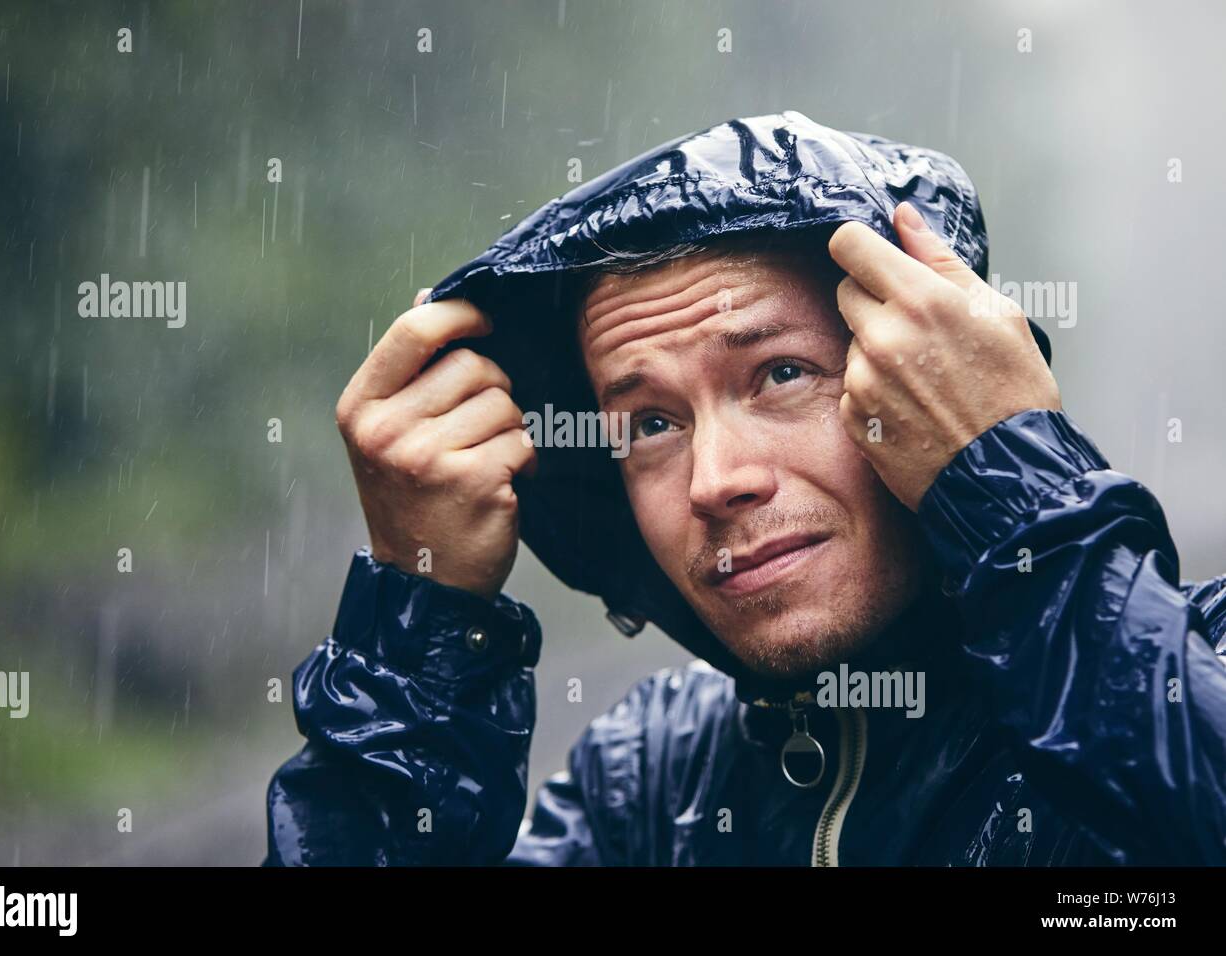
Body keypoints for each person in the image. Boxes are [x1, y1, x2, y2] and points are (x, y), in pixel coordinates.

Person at [265, 110, 1226, 866]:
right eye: (650, 424)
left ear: (931, 388)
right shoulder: (645, 791)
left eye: (779, 374)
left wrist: (1010, 482)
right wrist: (417, 628)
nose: (715, 482)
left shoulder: (1195, 665)